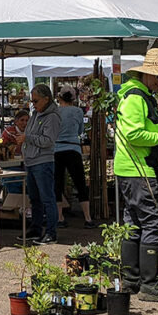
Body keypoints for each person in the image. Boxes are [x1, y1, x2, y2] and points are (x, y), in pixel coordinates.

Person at [114, 48, 158, 302]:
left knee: (133, 223)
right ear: (146, 74)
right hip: (138, 168)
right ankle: (149, 284)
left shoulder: (139, 95)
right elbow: (133, 134)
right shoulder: (136, 97)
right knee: (152, 223)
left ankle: (131, 280)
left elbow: (139, 128)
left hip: (130, 168)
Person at [16, 84, 61, 245]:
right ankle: (36, 229)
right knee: (34, 199)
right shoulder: (36, 114)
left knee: (47, 198)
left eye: (35, 101)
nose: (33, 104)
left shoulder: (52, 117)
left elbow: (48, 141)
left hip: (43, 162)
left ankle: (51, 232)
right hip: (31, 161)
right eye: (32, 101)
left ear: (46, 99)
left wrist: (27, 138)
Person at [54, 87, 95, 229]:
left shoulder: (55, 112)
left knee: (57, 184)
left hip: (57, 149)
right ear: (73, 98)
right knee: (80, 183)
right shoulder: (78, 111)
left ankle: (60, 217)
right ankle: (88, 218)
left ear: (59, 98)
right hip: (73, 148)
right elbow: (80, 131)